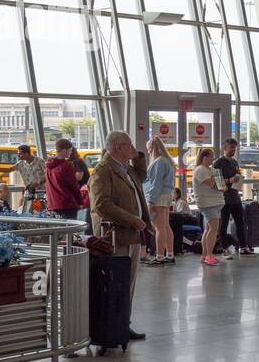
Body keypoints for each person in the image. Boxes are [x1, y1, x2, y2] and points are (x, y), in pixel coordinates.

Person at [87, 131, 149, 340]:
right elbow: (101, 204)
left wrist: (138, 155)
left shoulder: (127, 169)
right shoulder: (103, 171)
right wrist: (132, 219)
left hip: (132, 235)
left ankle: (123, 323)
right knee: (116, 283)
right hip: (115, 236)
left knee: (128, 283)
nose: (132, 147)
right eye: (128, 144)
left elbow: (142, 175)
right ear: (117, 148)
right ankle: (113, 325)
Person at [142, 136, 176, 266]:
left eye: (149, 149)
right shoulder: (167, 161)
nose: (148, 151)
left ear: (152, 148)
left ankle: (159, 256)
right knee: (166, 226)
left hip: (158, 197)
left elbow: (156, 184)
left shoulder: (158, 162)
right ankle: (170, 254)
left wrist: (150, 201)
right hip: (166, 196)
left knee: (159, 227)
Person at [214, 138, 252, 255]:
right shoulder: (218, 163)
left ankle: (243, 246)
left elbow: (237, 176)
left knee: (240, 222)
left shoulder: (234, 162)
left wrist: (239, 179)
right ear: (225, 148)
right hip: (224, 198)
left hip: (235, 197)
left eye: (235, 148)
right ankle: (223, 247)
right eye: (231, 148)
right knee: (223, 224)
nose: (233, 150)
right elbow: (216, 182)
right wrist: (230, 179)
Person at [192, 147, 226, 266]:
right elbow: (211, 183)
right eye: (211, 156)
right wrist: (218, 177)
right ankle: (209, 255)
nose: (213, 159)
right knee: (213, 229)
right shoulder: (201, 170)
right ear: (204, 157)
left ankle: (205, 255)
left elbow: (220, 185)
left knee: (208, 229)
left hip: (215, 202)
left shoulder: (209, 169)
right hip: (208, 203)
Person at [0, 144, 44, 209]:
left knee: (40, 209)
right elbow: (9, 169)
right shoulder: (20, 163)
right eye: (18, 154)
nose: (18, 156)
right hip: (30, 191)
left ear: (27, 153)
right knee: (28, 209)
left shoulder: (39, 161)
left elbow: (48, 174)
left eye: (20, 154)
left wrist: (38, 182)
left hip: (41, 191)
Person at [45, 139, 82, 219]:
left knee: (59, 230)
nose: (70, 152)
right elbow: (73, 185)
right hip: (67, 204)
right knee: (72, 229)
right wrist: (80, 201)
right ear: (64, 150)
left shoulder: (49, 165)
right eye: (70, 150)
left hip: (53, 204)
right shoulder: (67, 165)